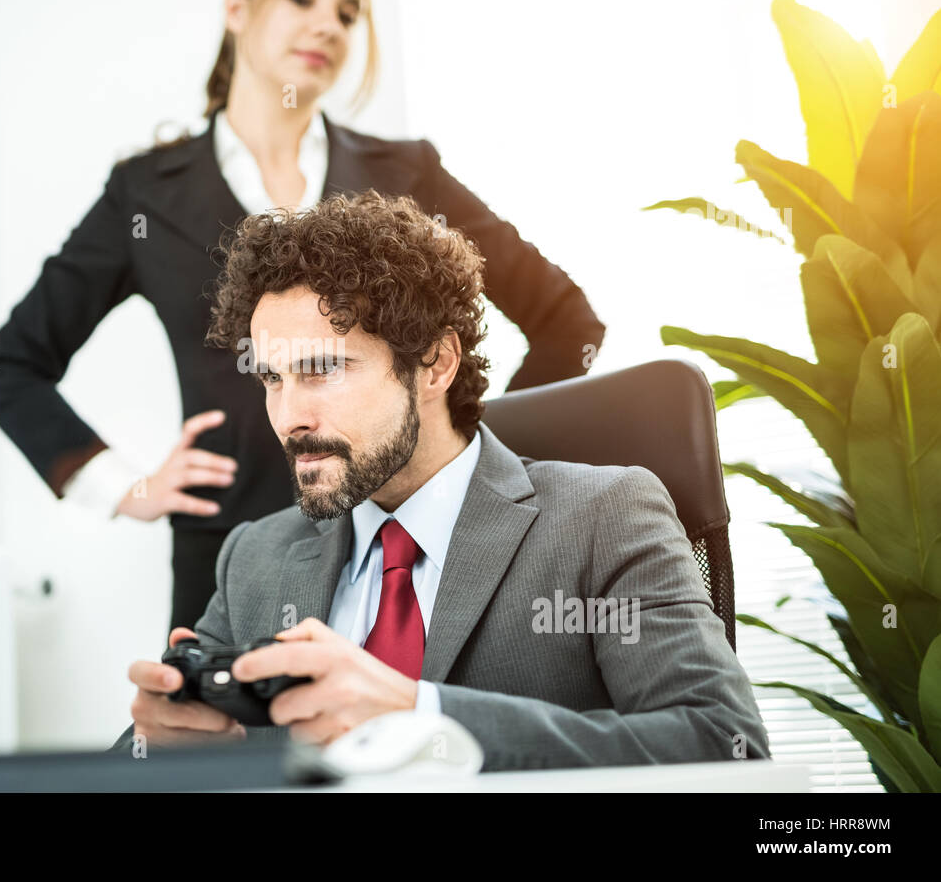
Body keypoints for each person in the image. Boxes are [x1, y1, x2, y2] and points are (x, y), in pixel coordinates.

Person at [0, 0, 606, 633]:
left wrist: (467, 465)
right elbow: (11, 366)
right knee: (211, 740)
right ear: (237, 8)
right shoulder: (147, 193)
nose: (326, 26)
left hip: (404, 551)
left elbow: (567, 323)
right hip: (231, 563)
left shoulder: (405, 175)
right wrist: (125, 485)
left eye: (346, 12)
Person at [112, 191, 769, 771]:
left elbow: (721, 739)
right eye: (272, 379)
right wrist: (171, 749)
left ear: (435, 362)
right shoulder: (254, 558)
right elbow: (137, 762)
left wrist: (420, 712)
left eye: (321, 370)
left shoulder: (603, 518)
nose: (288, 416)